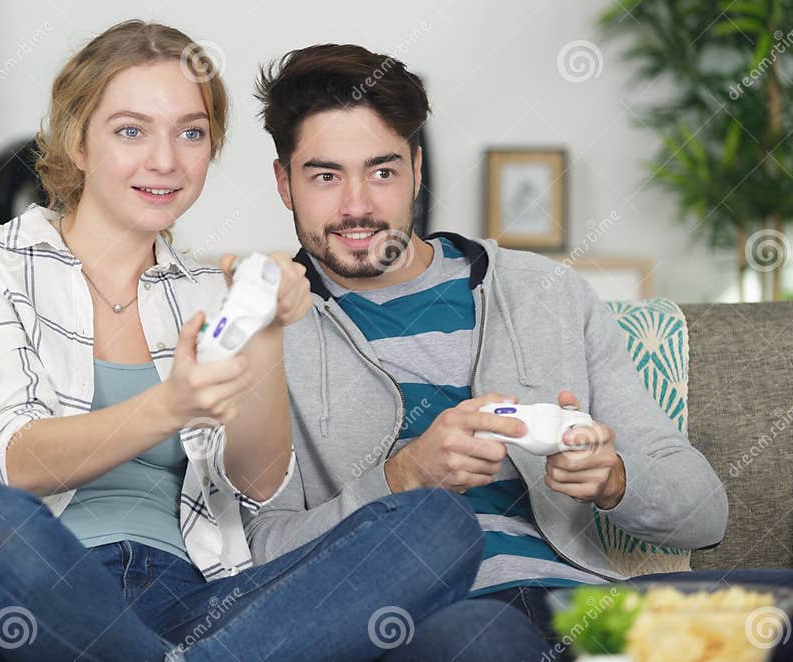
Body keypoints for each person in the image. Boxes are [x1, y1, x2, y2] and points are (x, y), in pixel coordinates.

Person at [0, 21, 545, 662]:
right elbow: (13, 460)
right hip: (37, 592)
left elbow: (254, 486)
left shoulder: (211, 292)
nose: (165, 161)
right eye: (131, 130)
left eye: (190, 133)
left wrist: (266, 333)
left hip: (193, 605)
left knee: (437, 526)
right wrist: (169, 406)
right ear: (78, 143)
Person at [243, 42, 793, 660]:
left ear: (417, 171)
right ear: (283, 183)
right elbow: (258, 553)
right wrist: (398, 481)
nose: (357, 205)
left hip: (588, 614)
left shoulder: (545, 292)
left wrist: (615, 480)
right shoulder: (261, 331)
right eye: (325, 175)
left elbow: (705, 513)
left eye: (383, 170)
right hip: (431, 622)